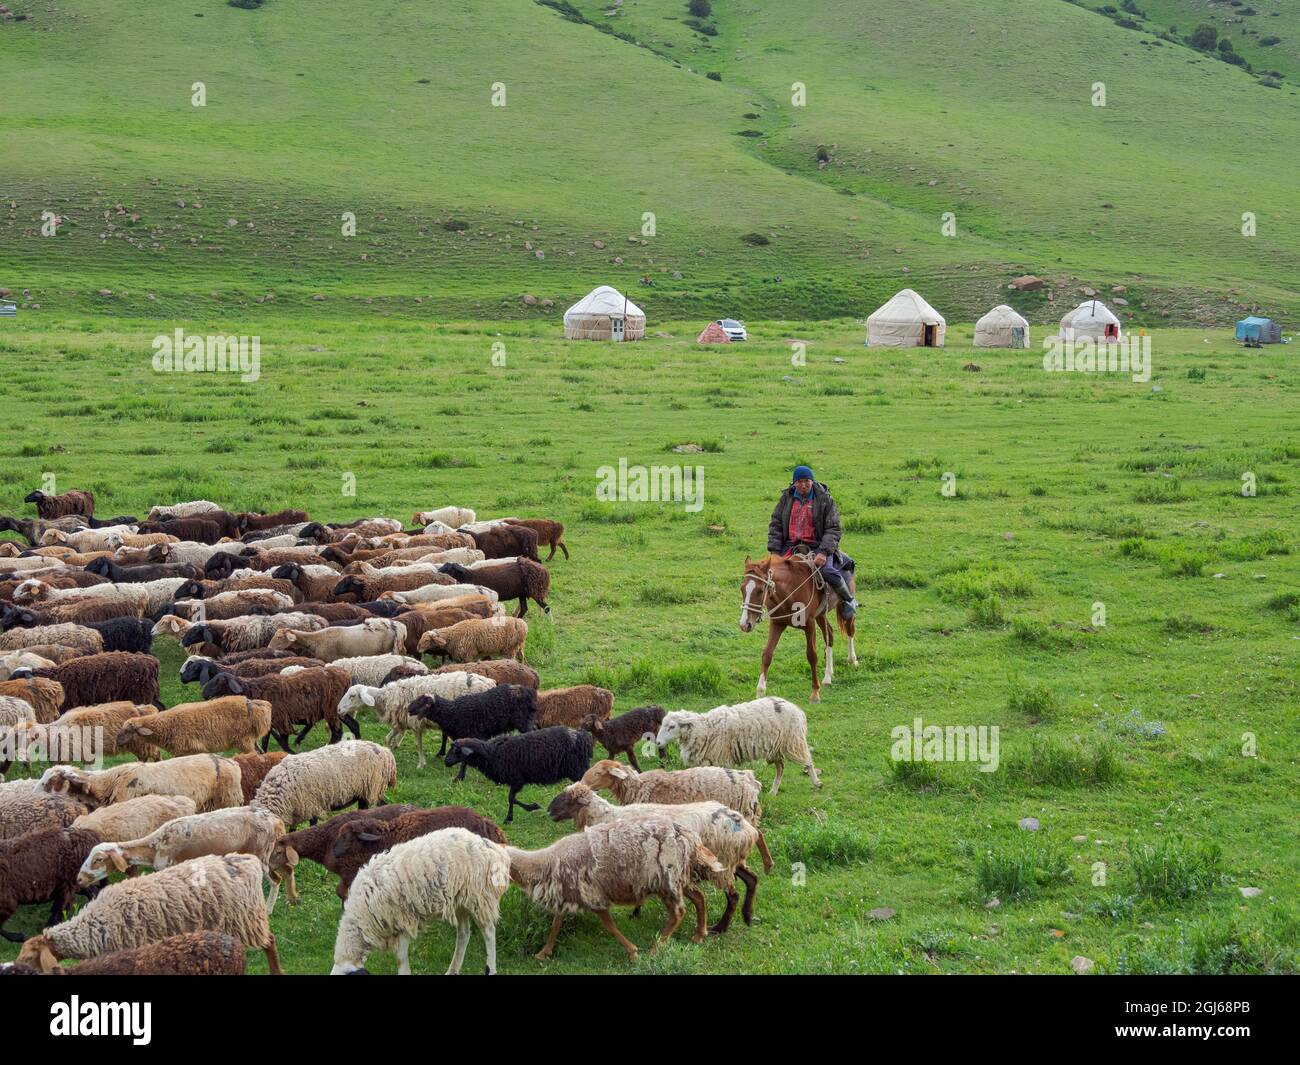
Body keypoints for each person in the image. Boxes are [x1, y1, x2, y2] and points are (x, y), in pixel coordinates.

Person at [766, 465, 858, 617]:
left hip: (817, 546)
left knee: (827, 571)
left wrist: (823, 552)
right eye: (800, 481)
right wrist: (775, 552)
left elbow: (833, 528)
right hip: (791, 546)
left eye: (807, 481)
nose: (803, 485)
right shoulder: (786, 498)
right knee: (770, 574)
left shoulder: (824, 499)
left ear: (812, 481)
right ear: (794, 483)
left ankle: (849, 600)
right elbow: (776, 524)